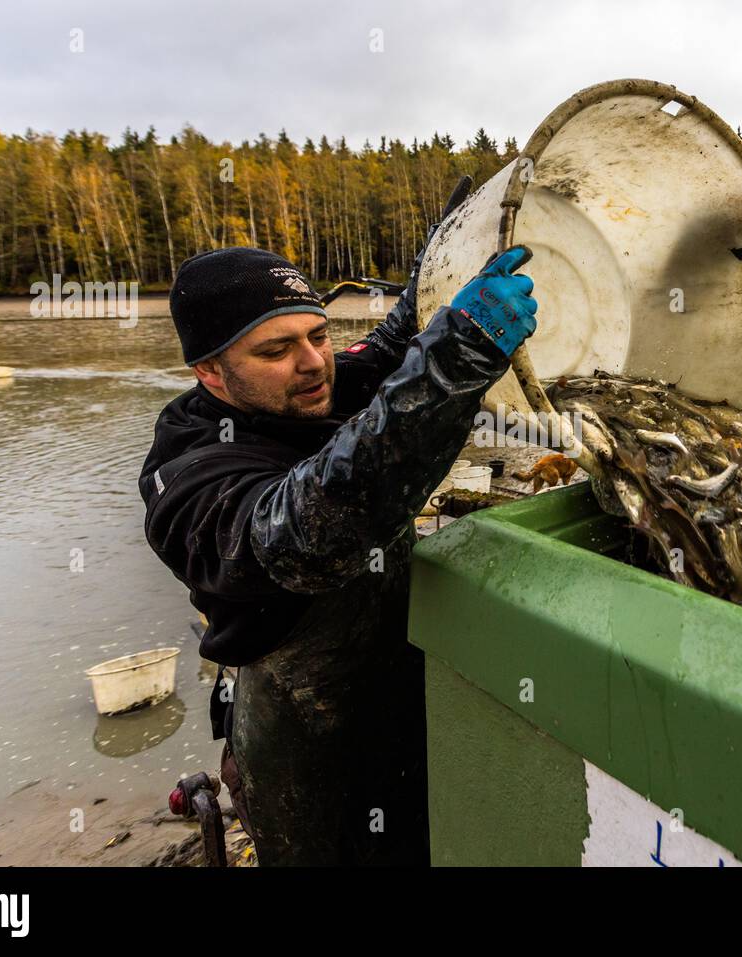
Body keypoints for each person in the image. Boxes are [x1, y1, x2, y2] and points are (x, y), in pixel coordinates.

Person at [139, 179, 539, 865]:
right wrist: (458, 356)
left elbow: (387, 347)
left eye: (319, 334)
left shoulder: (310, 385)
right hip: (307, 741)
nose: (312, 363)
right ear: (209, 370)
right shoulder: (187, 476)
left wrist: (445, 257)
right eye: (274, 350)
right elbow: (304, 533)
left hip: (394, 690)